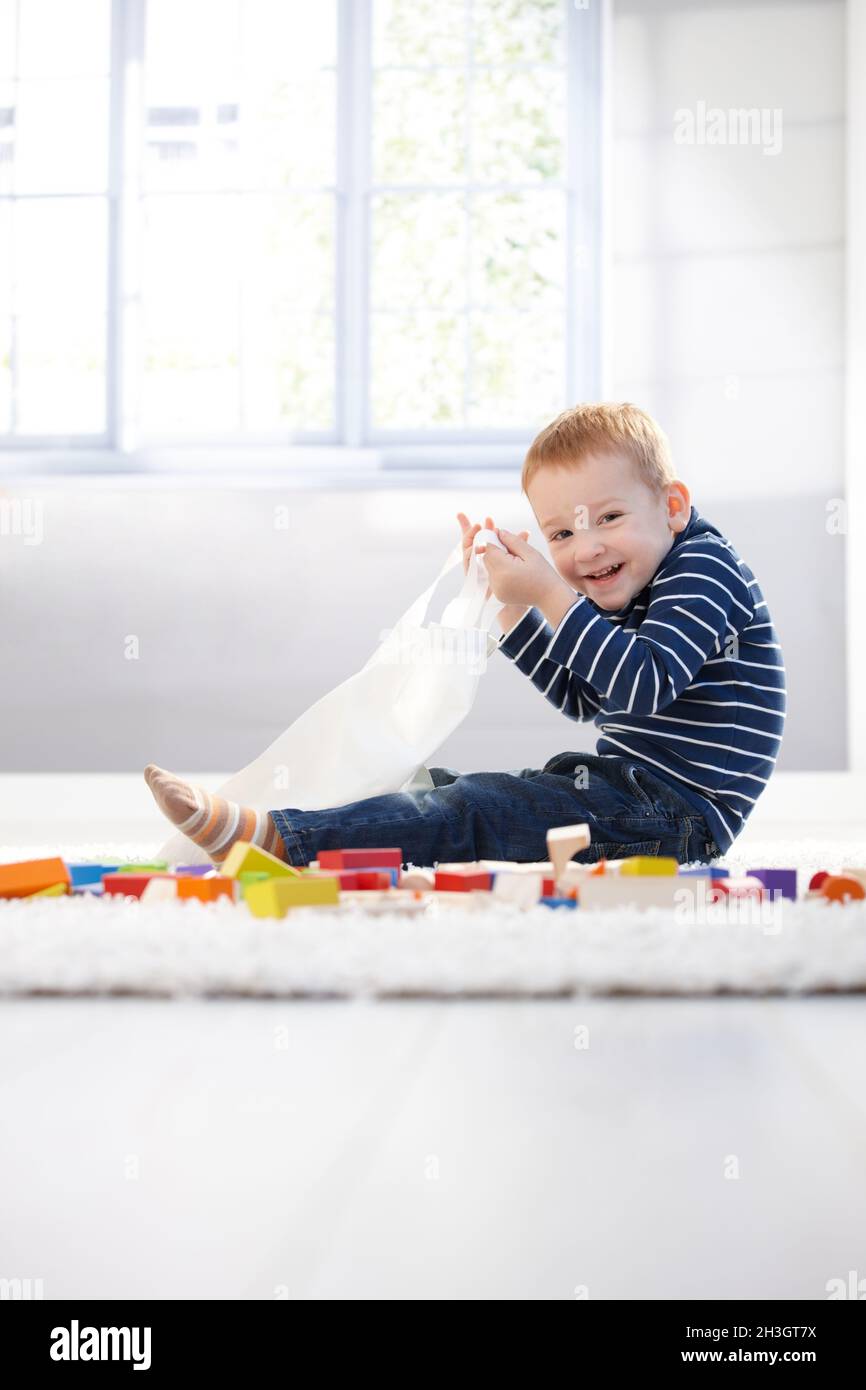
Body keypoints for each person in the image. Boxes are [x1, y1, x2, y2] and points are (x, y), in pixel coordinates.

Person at [145, 402, 785, 869]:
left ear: (672, 507)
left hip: (679, 814)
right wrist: (508, 607)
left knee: (480, 808)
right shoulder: (637, 573)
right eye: (560, 534)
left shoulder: (703, 569)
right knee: (441, 786)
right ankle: (318, 825)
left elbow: (641, 683)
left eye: (608, 518)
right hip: (627, 787)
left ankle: (282, 841)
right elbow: (585, 698)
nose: (586, 549)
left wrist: (550, 592)